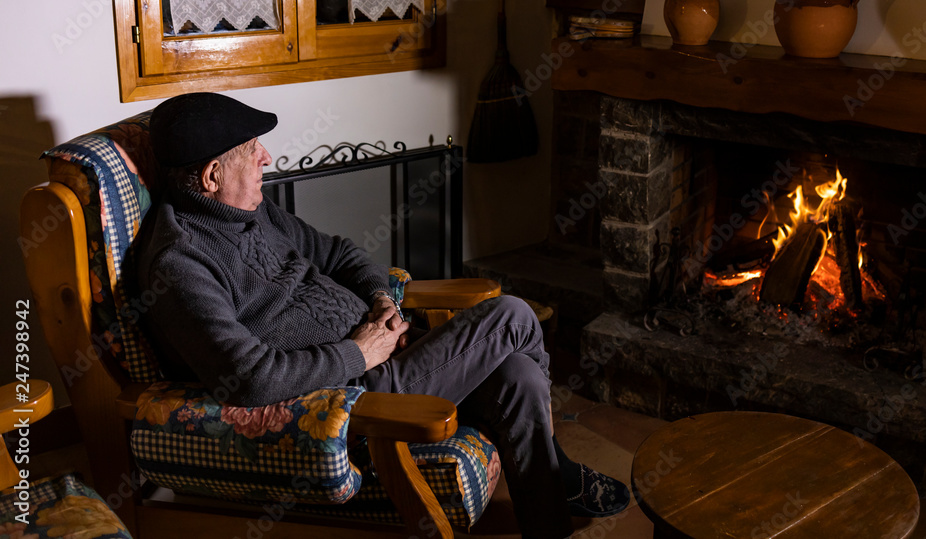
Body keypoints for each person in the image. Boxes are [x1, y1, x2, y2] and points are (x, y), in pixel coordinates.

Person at [135, 92, 630, 539]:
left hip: (389, 355)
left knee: (519, 375)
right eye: (251, 149)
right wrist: (359, 351)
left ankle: (549, 525)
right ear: (211, 175)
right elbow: (247, 377)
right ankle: (560, 472)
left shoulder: (251, 210)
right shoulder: (180, 265)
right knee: (512, 315)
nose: (267, 156)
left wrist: (382, 300)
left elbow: (339, 253)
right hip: (351, 403)